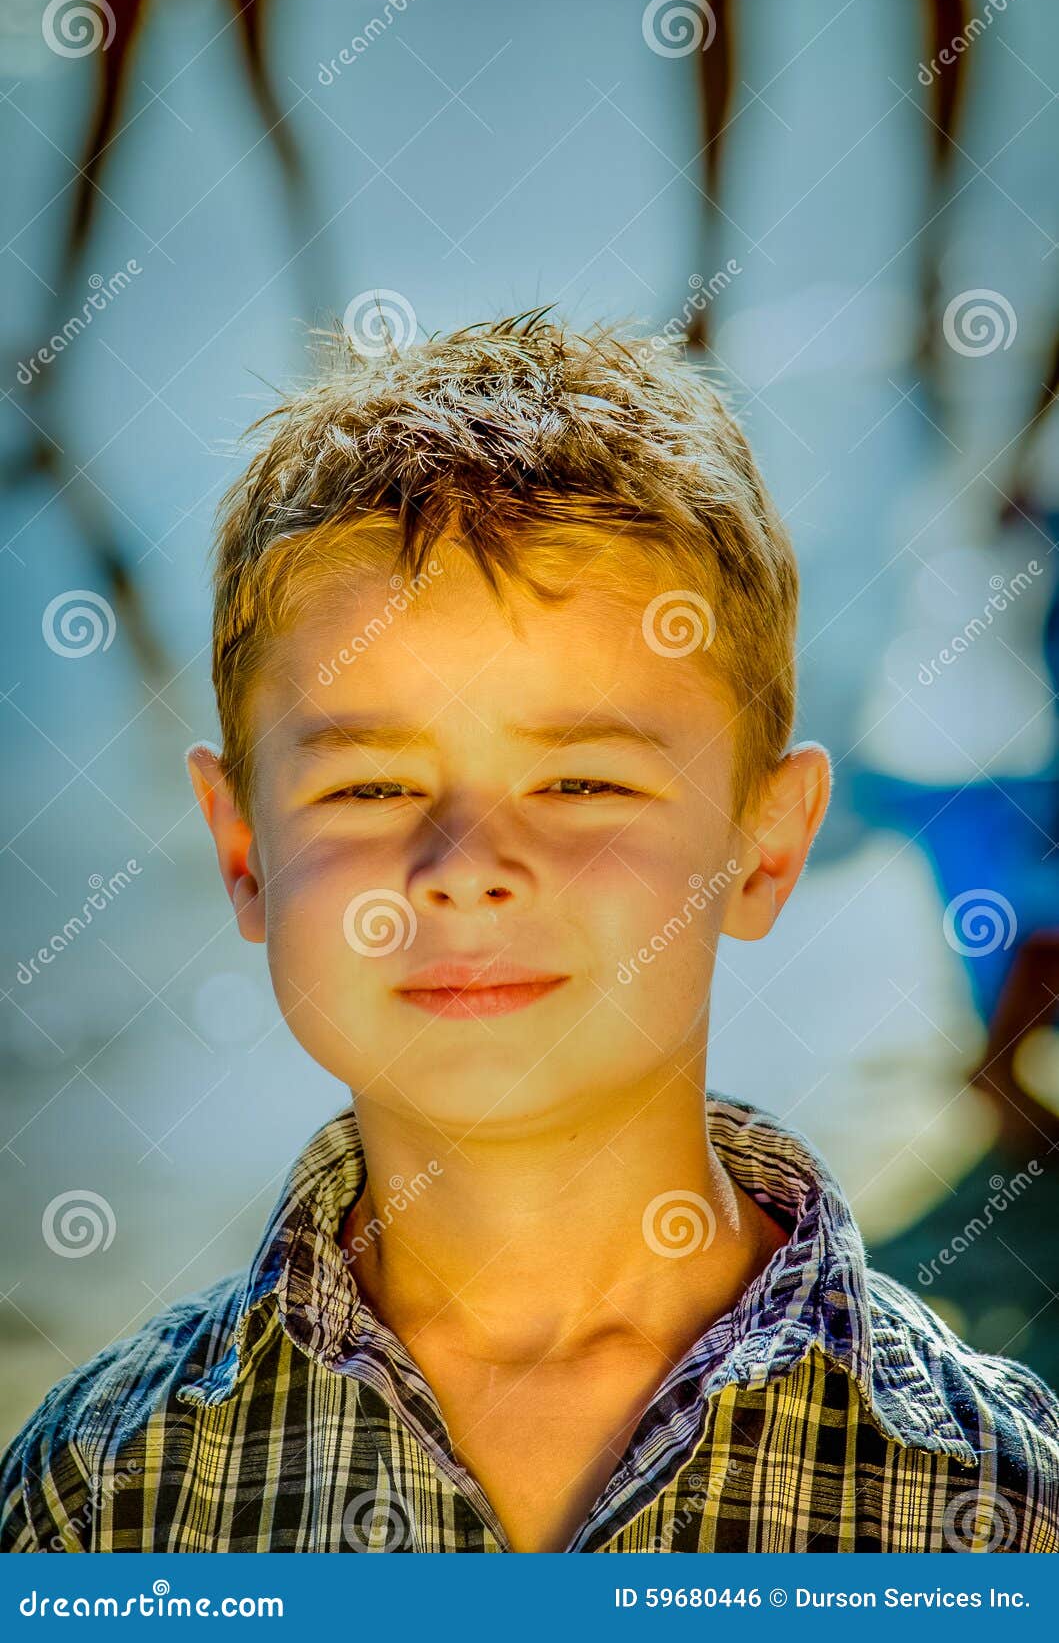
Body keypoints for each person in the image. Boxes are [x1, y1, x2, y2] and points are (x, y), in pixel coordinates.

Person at [3, 311, 1057, 1553]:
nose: (465, 871)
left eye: (581, 784)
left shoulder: (995, 1511)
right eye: (371, 786)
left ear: (766, 847)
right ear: (244, 852)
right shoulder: (98, 1502)